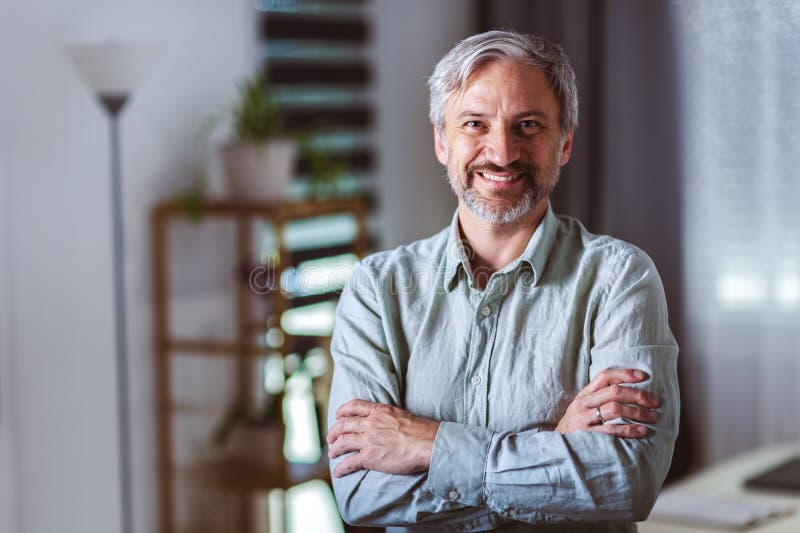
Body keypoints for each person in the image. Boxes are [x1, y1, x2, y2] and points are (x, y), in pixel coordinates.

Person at [326, 30, 679, 532]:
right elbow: (362, 492)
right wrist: (554, 448)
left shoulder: (620, 278)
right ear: (441, 141)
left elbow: (626, 481)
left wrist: (427, 444)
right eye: (475, 124)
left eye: (528, 126)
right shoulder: (377, 290)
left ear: (565, 143)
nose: (501, 151)